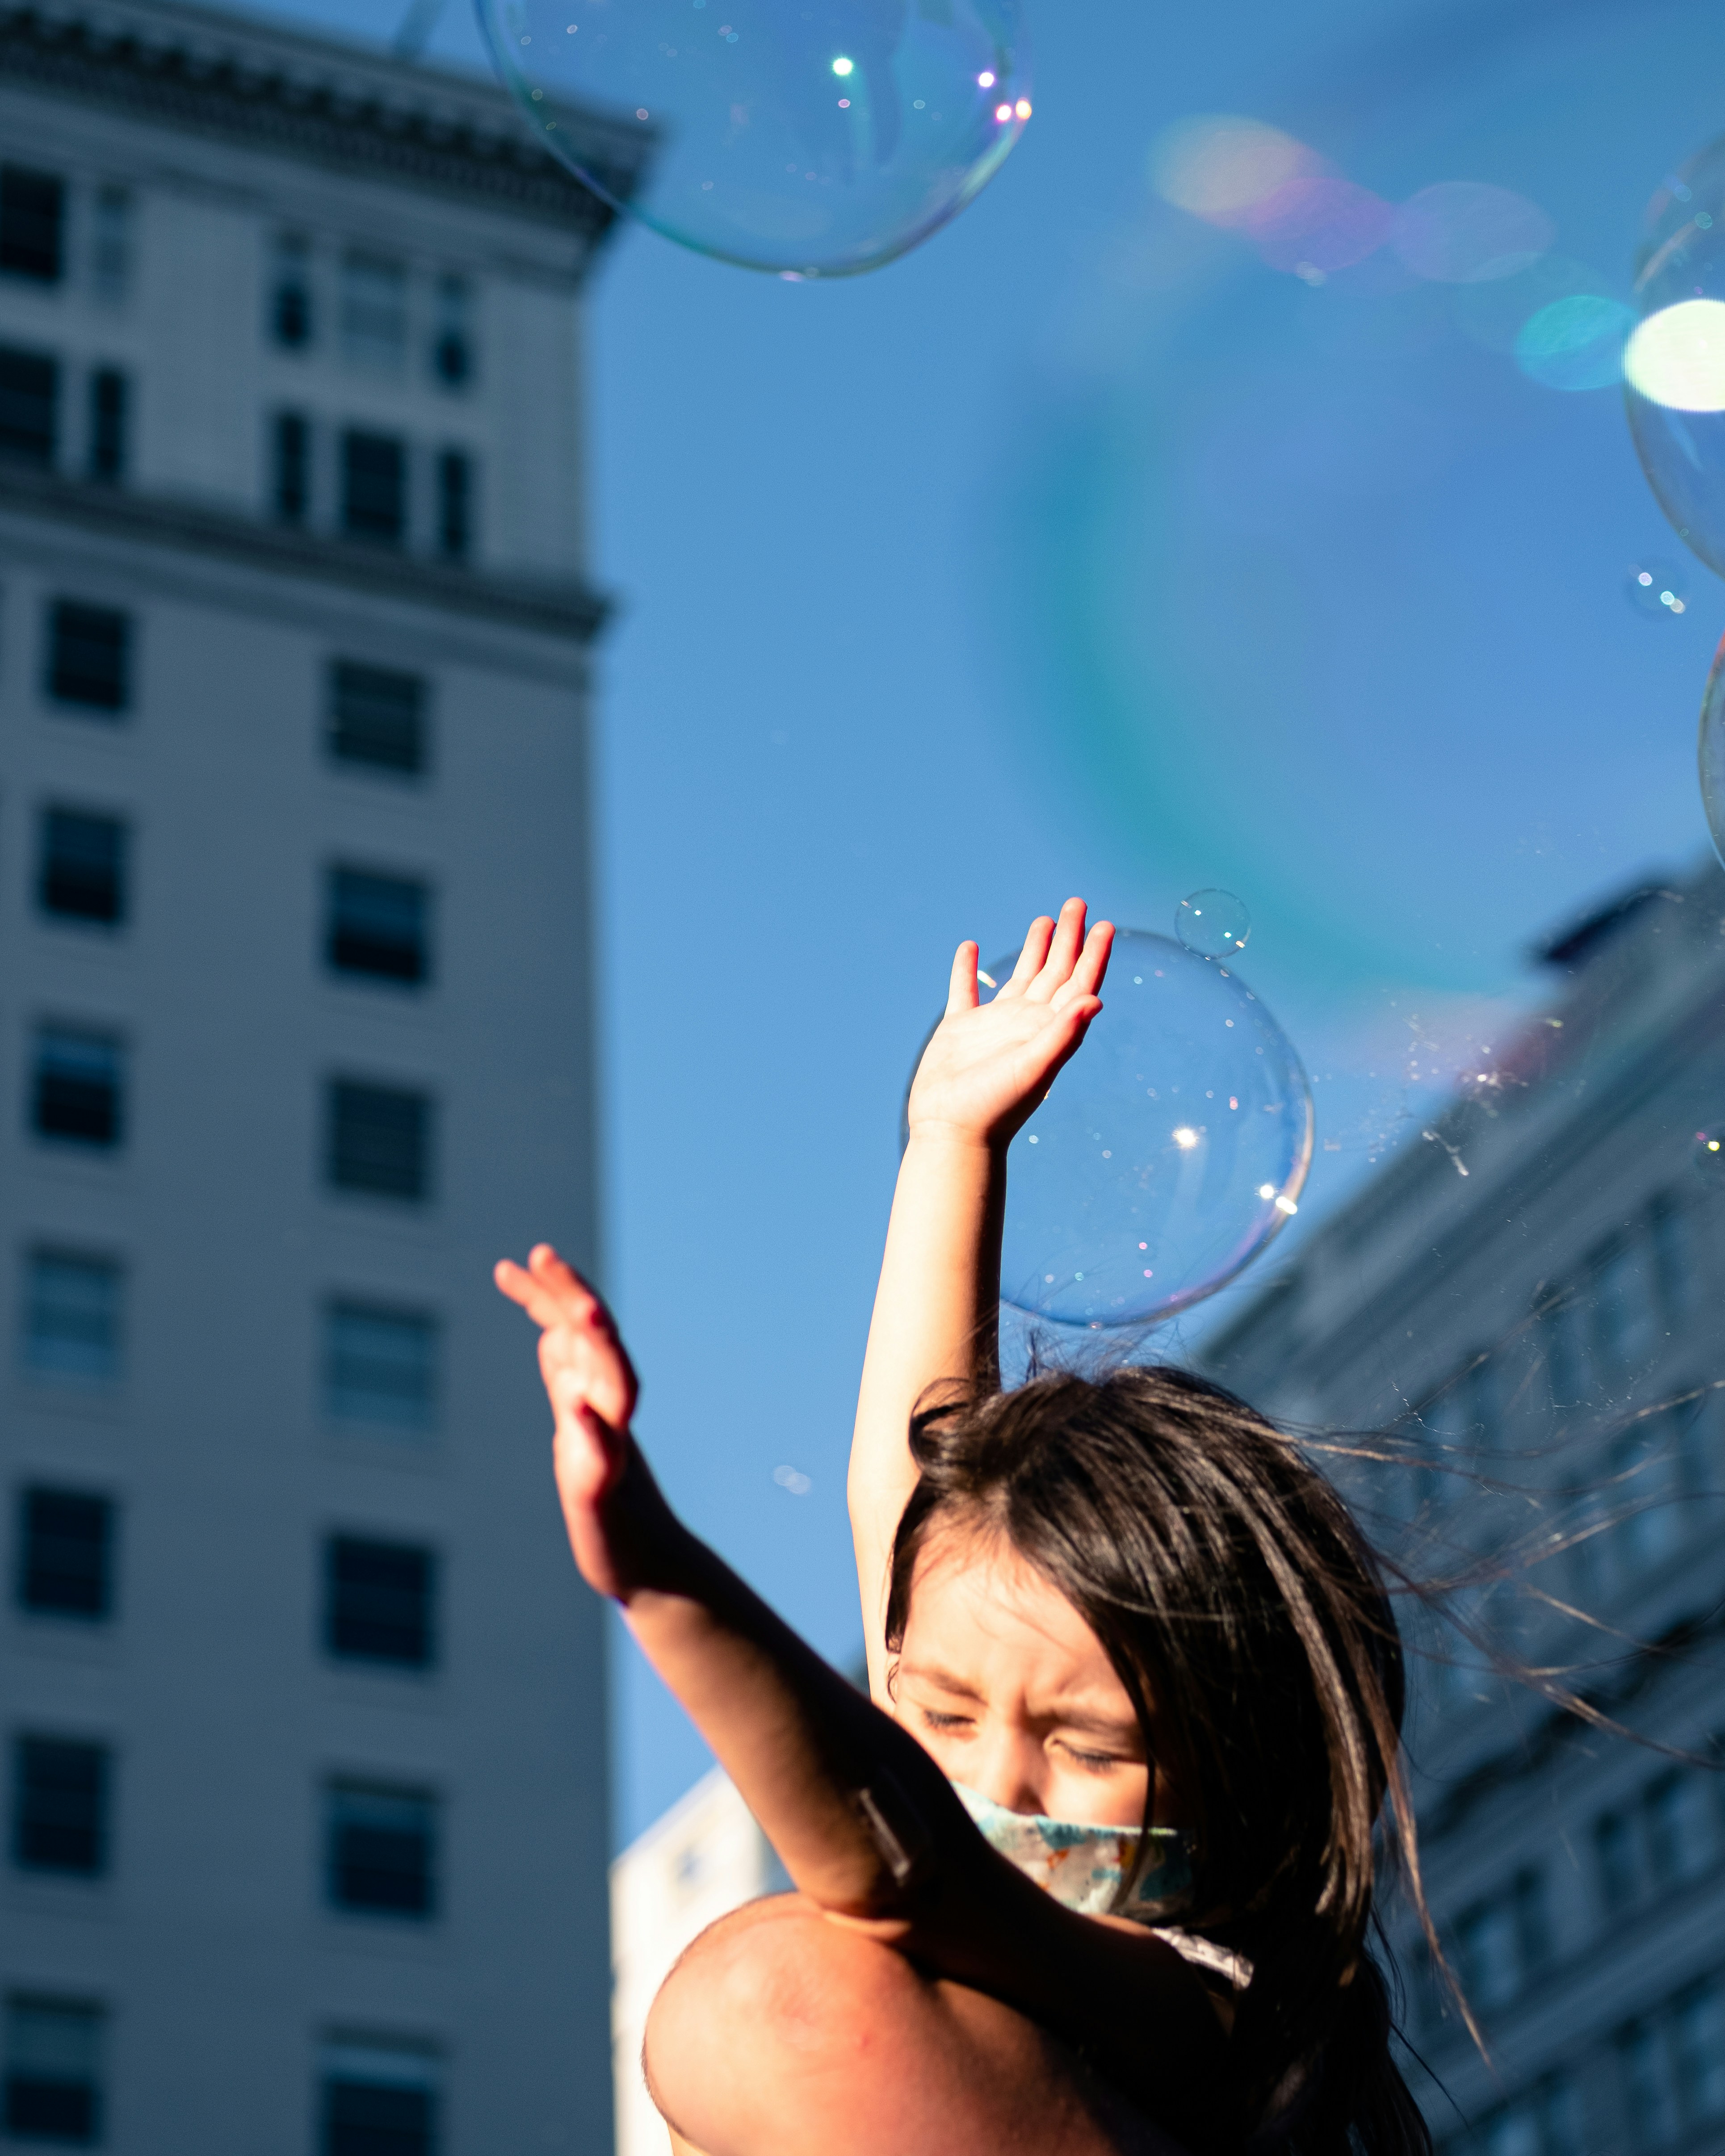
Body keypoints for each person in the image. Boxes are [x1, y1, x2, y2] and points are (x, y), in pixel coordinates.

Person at [496, 898, 1435, 2156]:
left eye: (1089, 1744)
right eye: (940, 1715)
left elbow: (914, 1867)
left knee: (781, 1994)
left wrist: (660, 1574)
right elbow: (915, 1484)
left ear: (1239, 1770)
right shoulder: (934, 1701)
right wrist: (951, 1142)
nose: (999, 1783)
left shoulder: (1217, 1998)